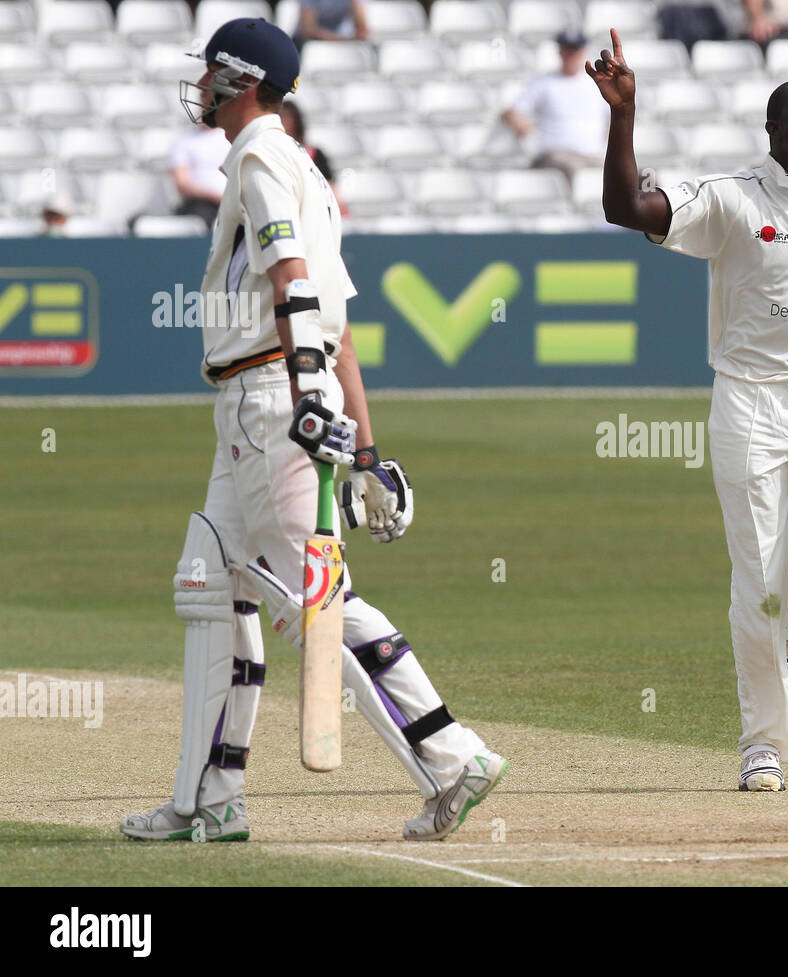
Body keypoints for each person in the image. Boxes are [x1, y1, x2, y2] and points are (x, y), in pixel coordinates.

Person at [121, 17, 506, 843]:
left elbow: (295, 284)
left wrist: (304, 396)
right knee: (210, 585)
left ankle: (452, 755)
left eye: (213, 73)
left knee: (314, 603)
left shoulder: (262, 159)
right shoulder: (304, 171)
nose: (202, 87)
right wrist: (363, 446)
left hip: (270, 398)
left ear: (241, 81)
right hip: (262, 398)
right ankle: (211, 799)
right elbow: (345, 332)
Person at [587, 29, 788, 793]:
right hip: (750, 406)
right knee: (755, 580)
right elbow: (625, 207)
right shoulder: (729, 199)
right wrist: (625, 115)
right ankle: (762, 743)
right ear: (774, 130)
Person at [502, 28, 608, 185]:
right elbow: (512, 112)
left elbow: (615, 115)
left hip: (592, 156)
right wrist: (522, 126)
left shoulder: (597, 84)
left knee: (628, 177)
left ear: (582, 52)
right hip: (555, 155)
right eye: (567, 50)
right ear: (560, 52)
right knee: (573, 171)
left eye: (575, 50)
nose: (571, 55)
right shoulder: (544, 83)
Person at [280, 100, 346, 215]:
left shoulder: (314, 154)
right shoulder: (272, 154)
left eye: (288, 117)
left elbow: (330, 189)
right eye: (282, 117)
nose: (285, 122)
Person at [170, 120, 229, 228]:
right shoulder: (184, 141)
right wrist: (216, 196)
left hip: (233, 203)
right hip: (201, 205)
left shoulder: (232, 138)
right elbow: (182, 184)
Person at [293, 0, 369, 45]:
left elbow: (362, 30)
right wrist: (341, 41)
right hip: (310, 43)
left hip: (343, 43)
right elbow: (308, 31)